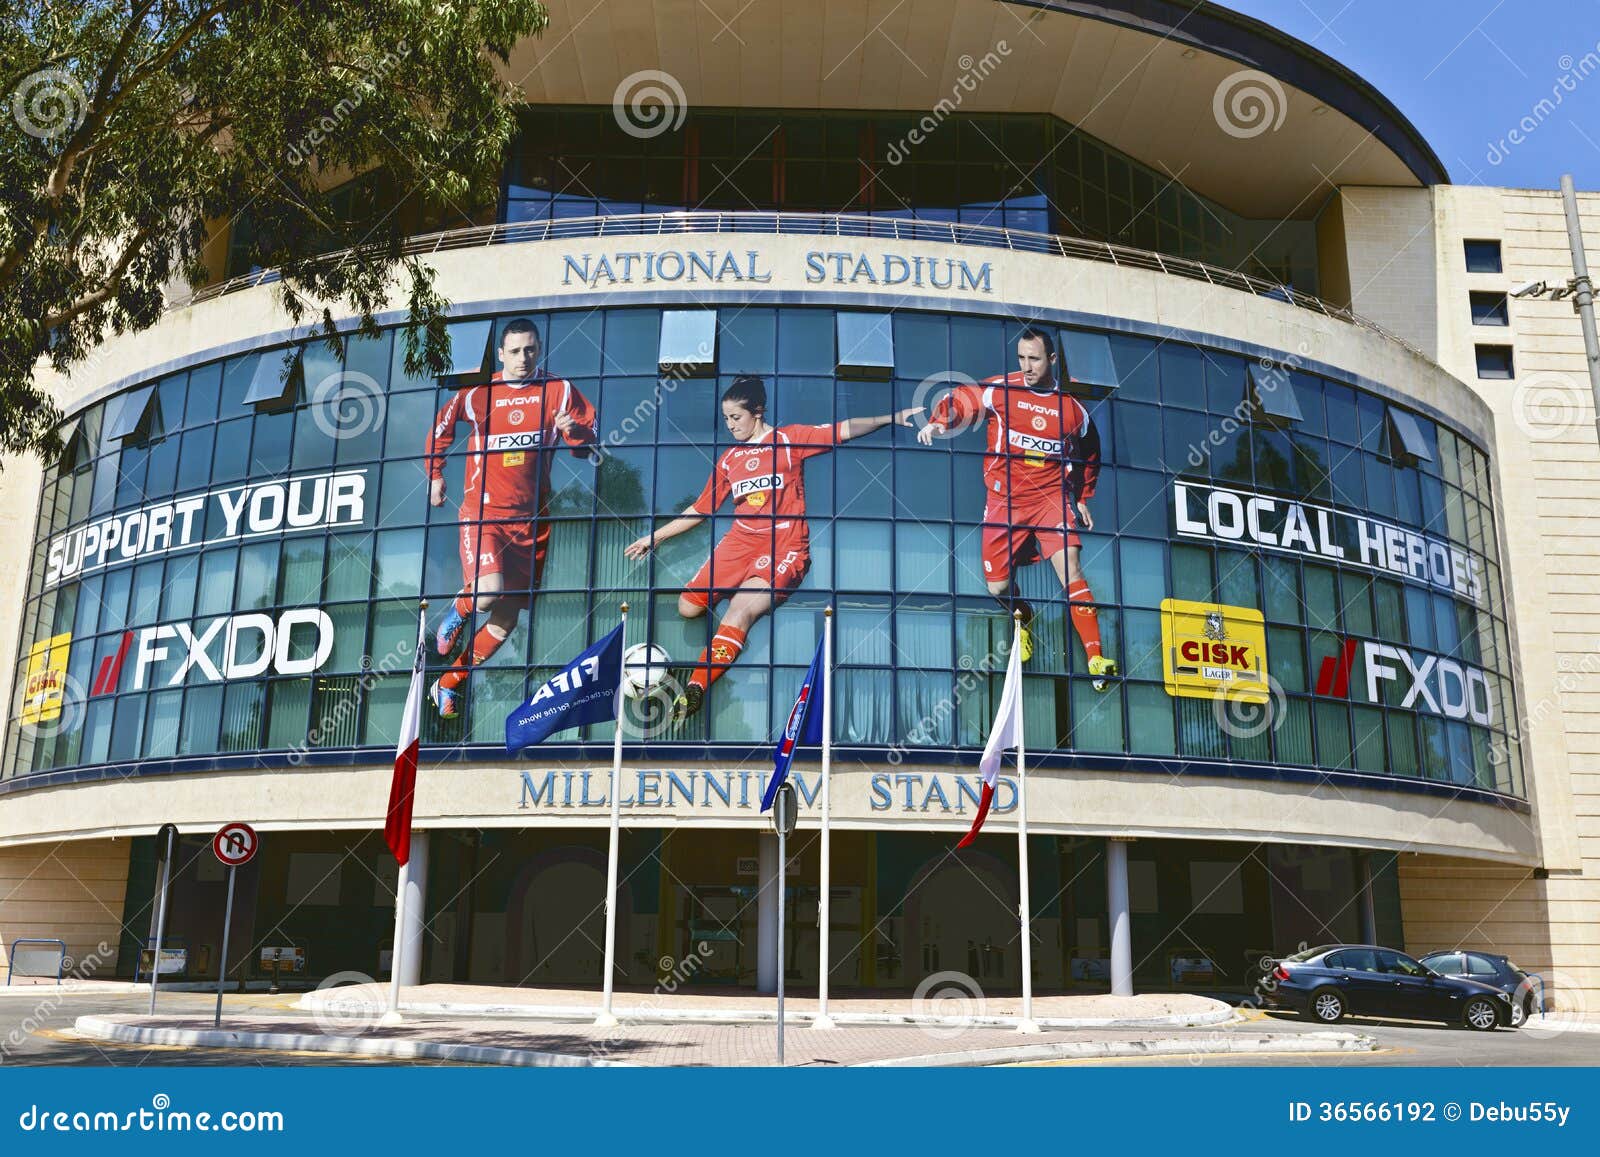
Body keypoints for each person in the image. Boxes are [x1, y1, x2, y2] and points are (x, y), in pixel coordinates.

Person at [624, 375, 921, 719]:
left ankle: (696, 686)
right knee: (688, 608)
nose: (731, 426)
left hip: (784, 545)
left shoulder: (790, 440)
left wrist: (892, 417)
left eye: (736, 418)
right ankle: (728, 636)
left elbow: (844, 428)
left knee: (739, 611)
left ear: (758, 411)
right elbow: (701, 510)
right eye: (726, 419)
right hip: (739, 541)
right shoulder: (728, 460)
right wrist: (655, 537)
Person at [917, 327, 1117, 688]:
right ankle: (1023, 617)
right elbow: (963, 399)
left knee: (1071, 568)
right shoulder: (1002, 390)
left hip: (1050, 500)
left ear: (1052, 360)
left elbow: (1091, 454)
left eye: (1035, 359)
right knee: (998, 587)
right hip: (1005, 502)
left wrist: (1082, 497)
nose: (1026, 366)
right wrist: (939, 421)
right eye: (1022, 358)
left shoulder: (1073, 411)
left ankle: (1096, 657)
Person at [424, 318, 596, 717]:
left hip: (531, 522)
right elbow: (441, 428)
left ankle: (447, 683)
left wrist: (574, 433)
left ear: (539, 350)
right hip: (484, 514)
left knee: (505, 621)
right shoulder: (481, 394)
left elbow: (588, 447)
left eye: (530, 350)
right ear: (501, 354)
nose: (523, 358)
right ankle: (457, 612)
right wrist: (435, 475)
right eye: (515, 351)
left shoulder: (559, 391)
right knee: (486, 594)